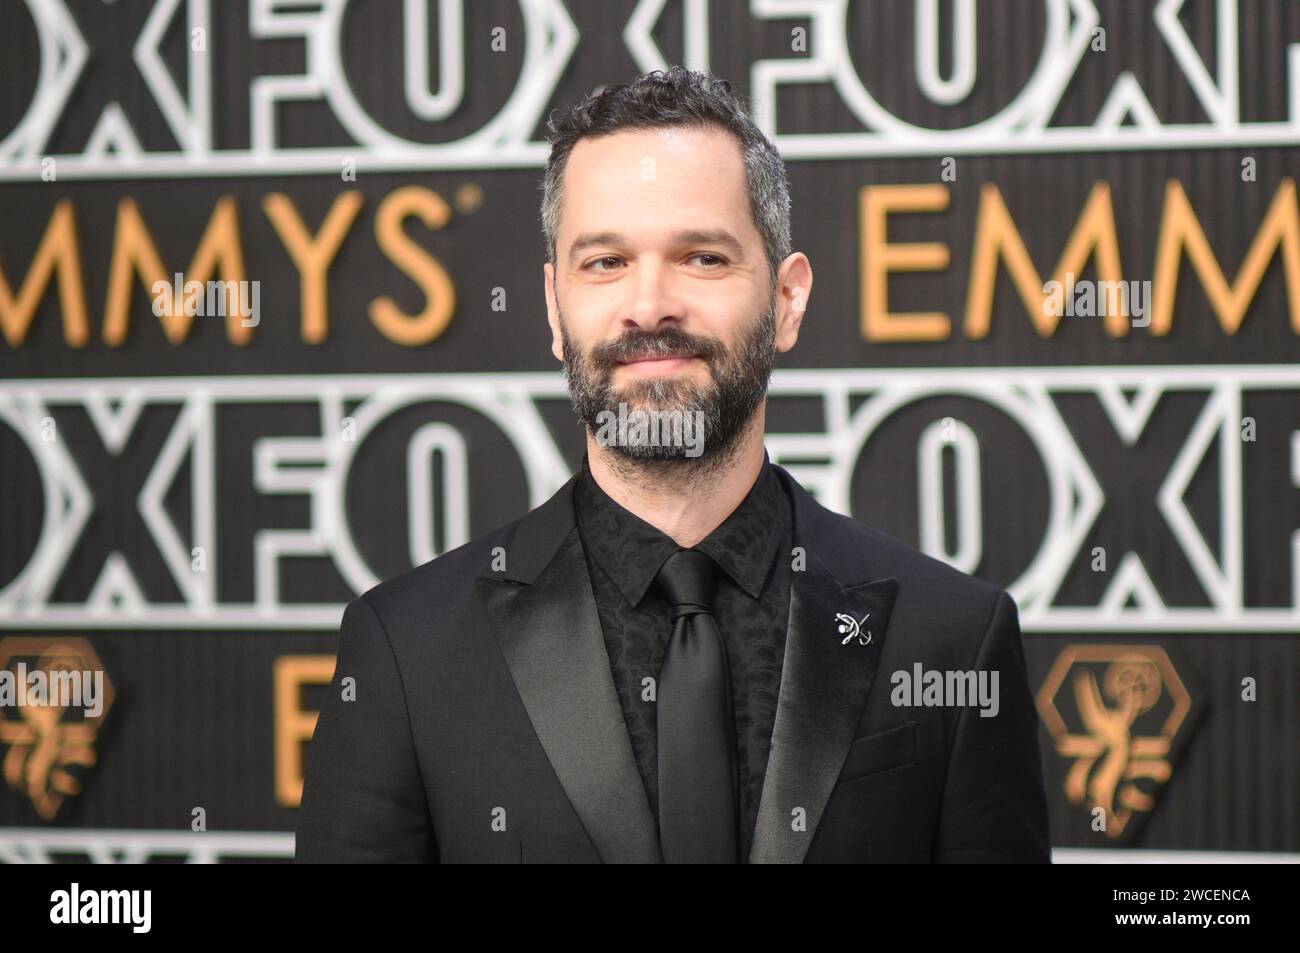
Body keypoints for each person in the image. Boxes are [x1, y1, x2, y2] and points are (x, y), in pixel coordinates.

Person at [296, 67, 1051, 863]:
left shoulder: (952, 638)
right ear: (555, 309)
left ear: (787, 300)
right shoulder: (409, 652)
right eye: (605, 262)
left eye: (702, 257)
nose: (650, 305)